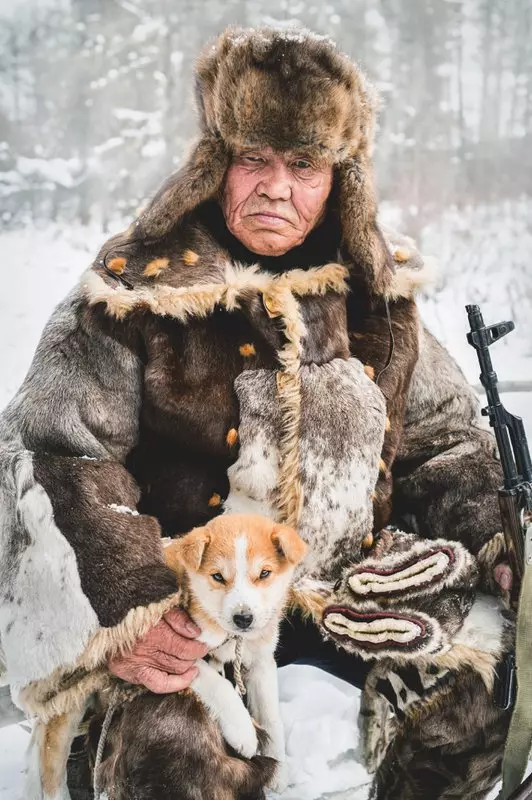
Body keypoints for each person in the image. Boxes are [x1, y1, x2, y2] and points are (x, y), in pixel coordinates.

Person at [0, 25, 510, 798]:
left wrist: (501, 538)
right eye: (255, 159)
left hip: (350, 603)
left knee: (488, 696)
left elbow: (446, 446)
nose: (278, 186)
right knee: (171, 751)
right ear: (214, 164)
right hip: (193, 612)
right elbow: (54, 455)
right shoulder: (131, 293)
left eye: (303, 164)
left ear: (338, 177)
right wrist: (130, 608)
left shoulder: (379, 302)